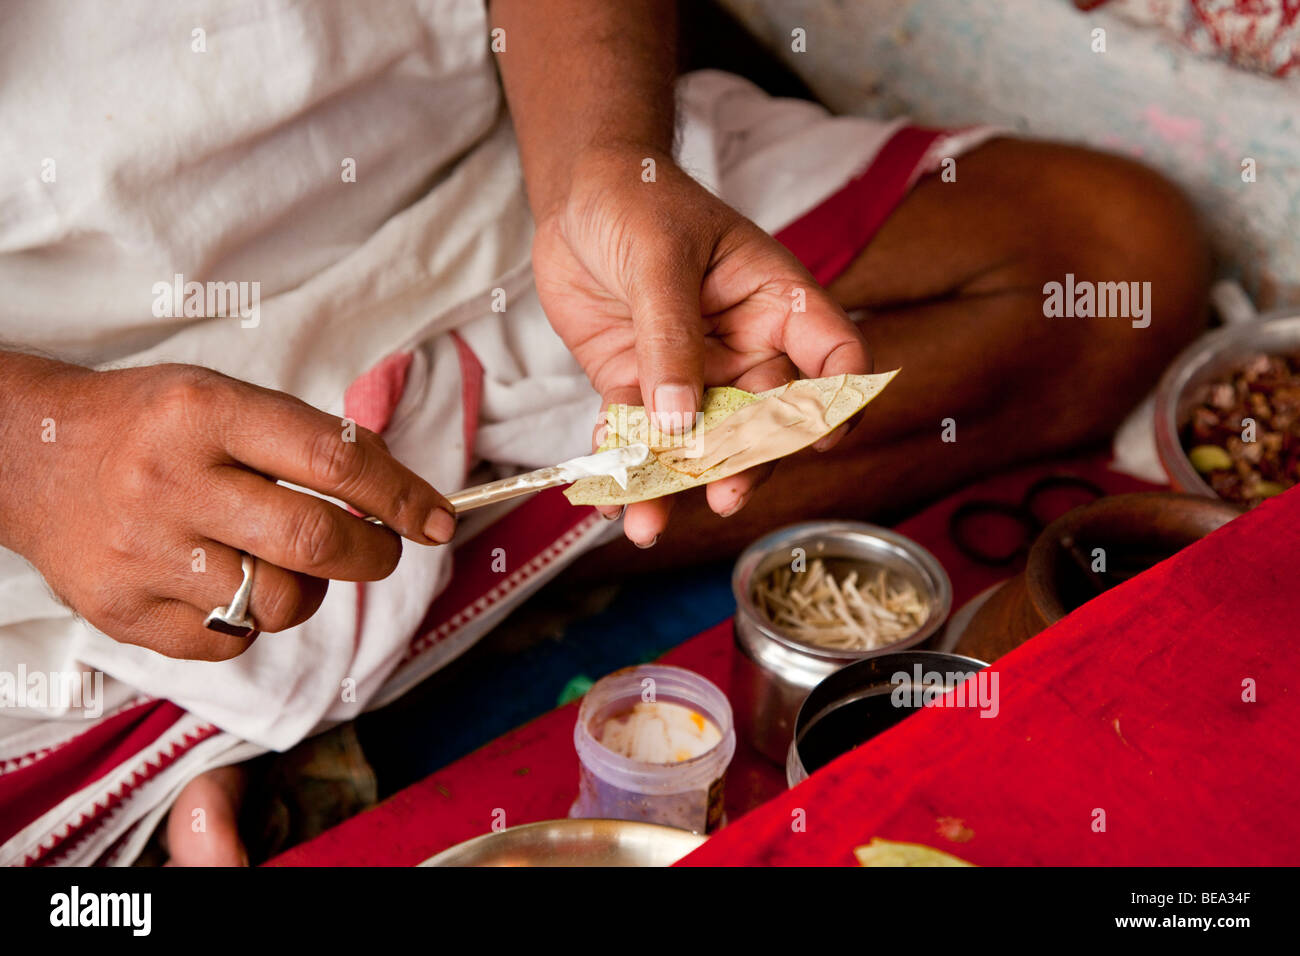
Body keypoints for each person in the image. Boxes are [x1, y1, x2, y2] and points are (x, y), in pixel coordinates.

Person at [0, 0, 1208, 866]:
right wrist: (37, 455)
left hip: (490, 196)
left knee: (1109, 264)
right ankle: (218, 697)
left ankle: (282, 680)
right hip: (64, 378)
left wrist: (600, 157)